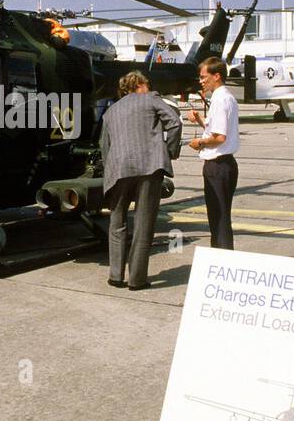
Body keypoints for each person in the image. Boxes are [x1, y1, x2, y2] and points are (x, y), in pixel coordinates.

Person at [100, 70, 182, 290]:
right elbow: (174, 122)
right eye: (147, 83)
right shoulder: (150, 99)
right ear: (139, 85)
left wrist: (111, 167)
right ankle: (137, 279)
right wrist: (170, 152)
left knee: (117, 223)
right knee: (143, 223)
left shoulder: (111, 111)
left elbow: (104, 146)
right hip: (149, 167)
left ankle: (115, 276)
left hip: (118, 170)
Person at [187, 56, 240, 250]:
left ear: (216, 76)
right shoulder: (226, 97)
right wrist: (200, 120)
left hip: (217, 165)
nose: (201, 81)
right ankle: (220, 258)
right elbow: (216, 131)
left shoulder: (219, 99)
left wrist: (198, 142)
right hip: (225, 164)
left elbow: (219, 138)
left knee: (219, 219)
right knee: (219, 216)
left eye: (204, 77)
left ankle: (222, 260)